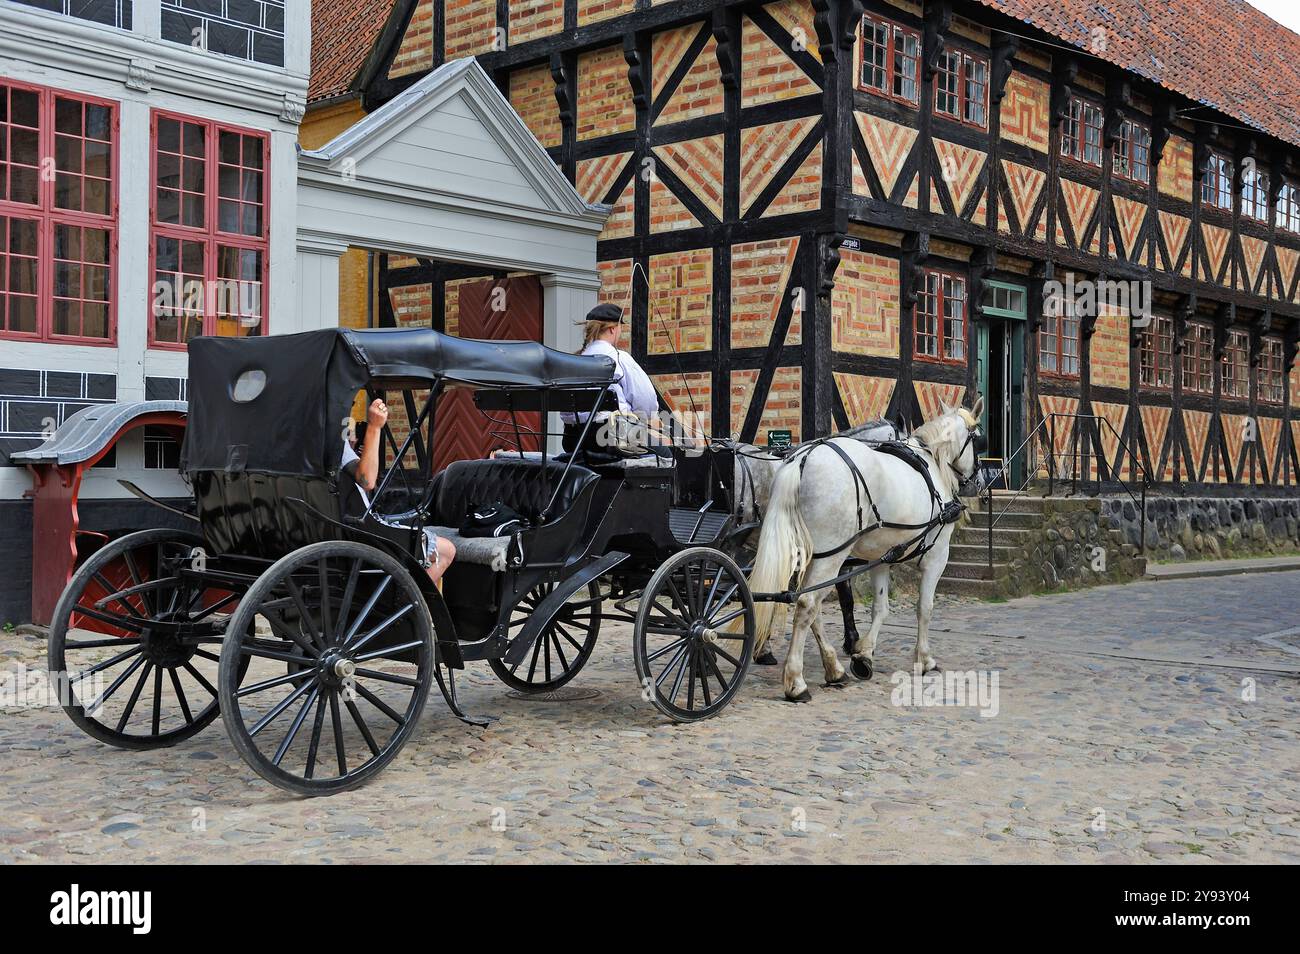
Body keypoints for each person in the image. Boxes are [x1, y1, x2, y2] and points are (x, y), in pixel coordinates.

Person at [342, 397, 455, 586]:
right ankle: (406, 606)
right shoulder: (335, 443)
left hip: (324, 526)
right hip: (358, 530)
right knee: (446, 550)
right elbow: (367, 480)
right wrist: (374, 427)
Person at [562, 303, 661, 456]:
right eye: (620, 328)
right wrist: (645, 418)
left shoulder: (576, 360)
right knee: (666, 455)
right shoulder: (619, 358)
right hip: (612, 437)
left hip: (574, 440)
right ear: (612, 329)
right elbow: (645, 399)